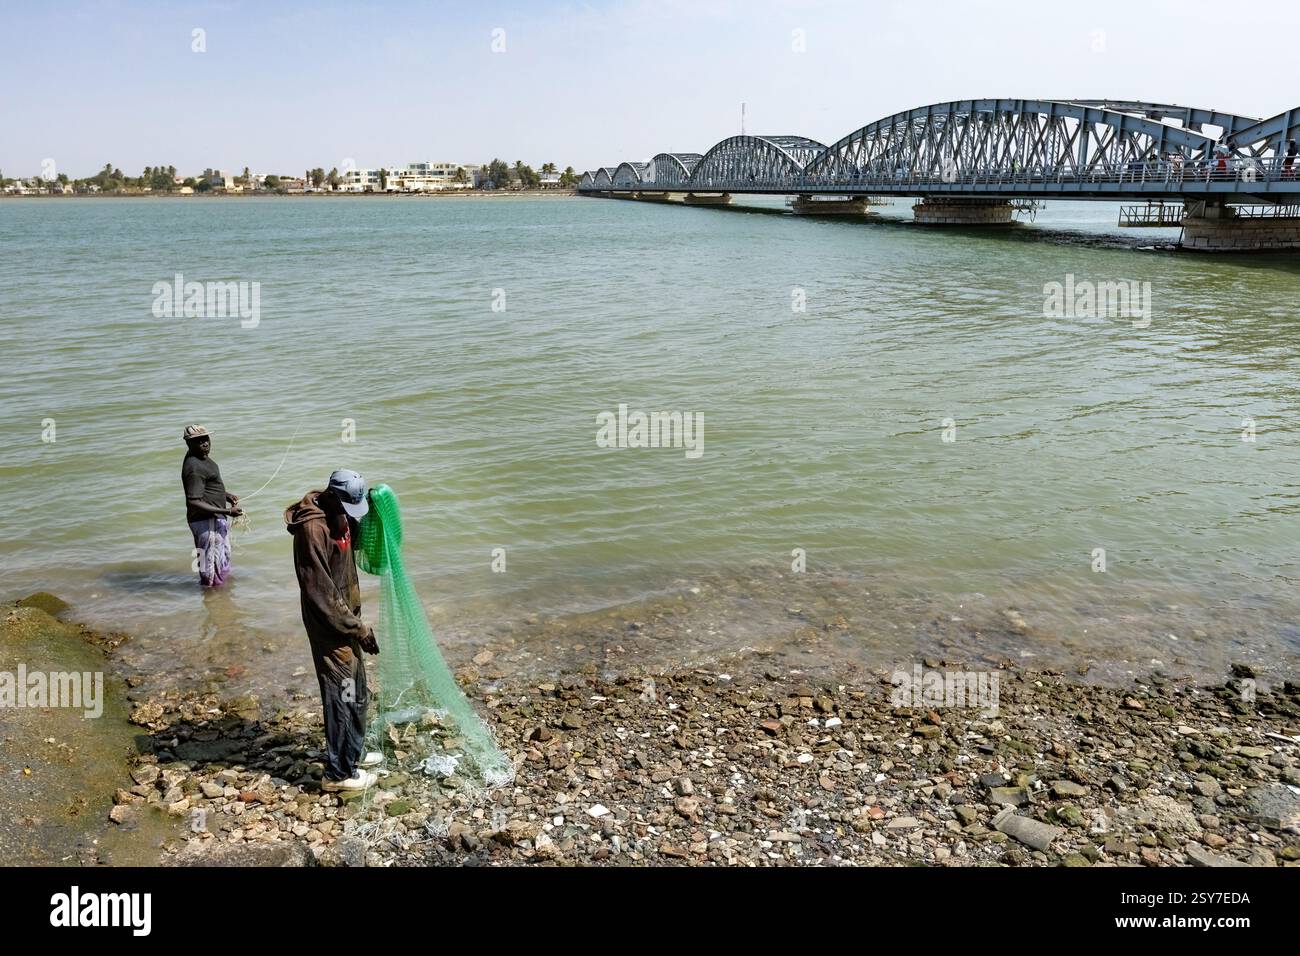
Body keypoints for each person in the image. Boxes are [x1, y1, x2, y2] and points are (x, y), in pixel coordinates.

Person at [285, 469, 383, 792]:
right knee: (342, 695)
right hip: (330, 624)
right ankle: (338, 774)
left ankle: (351, 753)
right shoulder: (312, 530)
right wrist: (359, 629)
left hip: (347, 619)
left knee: (357, 687)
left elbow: (353, 535)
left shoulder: (338, 513)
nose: (350, 517)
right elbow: (321, 595)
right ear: (331, 497)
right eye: (348, 509)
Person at [181, 425, 242, 587]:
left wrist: (226, 495)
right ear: (188, 444)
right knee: (210, 569)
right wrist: (228, 511)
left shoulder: (204, 460)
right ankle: (212, 601)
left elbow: (206, 488)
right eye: (198, 441)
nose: (205, 443)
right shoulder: (194, 466)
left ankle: (219, 601)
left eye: (206, 439)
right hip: (206, 523)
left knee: (221, 561)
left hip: (214, 520)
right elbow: (193, 501)